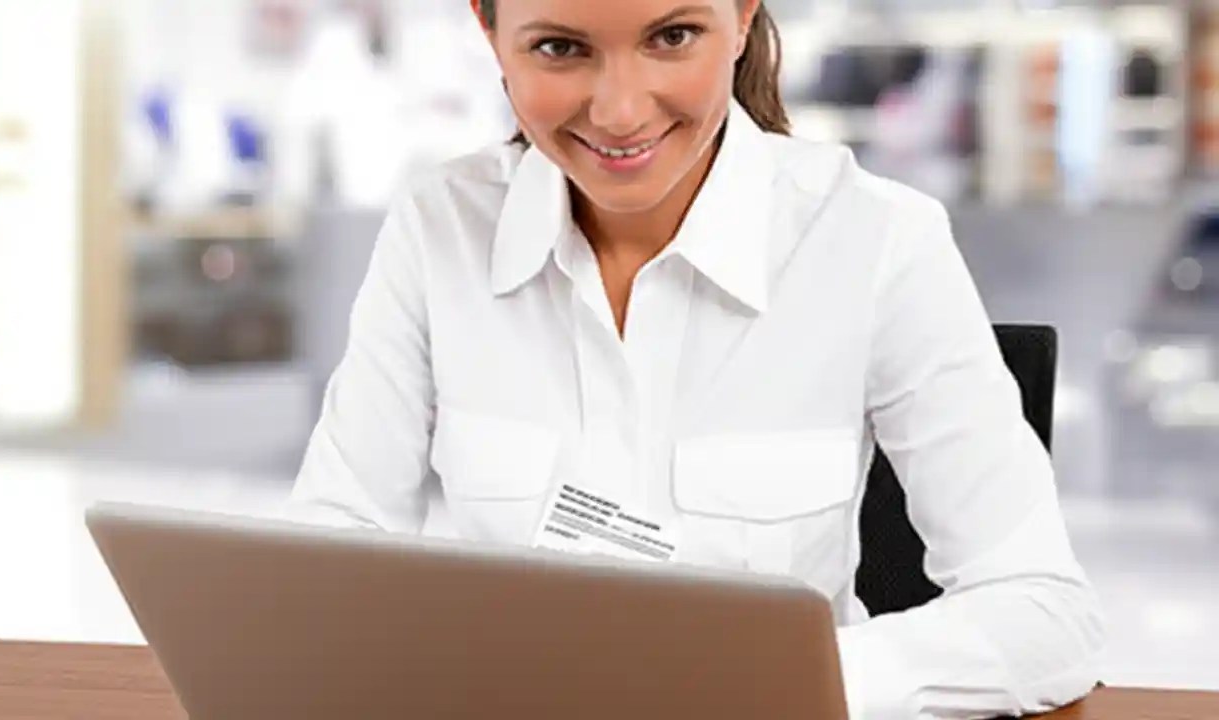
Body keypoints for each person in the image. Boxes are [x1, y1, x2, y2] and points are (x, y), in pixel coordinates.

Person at [289, 1, 1106, 717]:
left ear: (745, 15)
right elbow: (323, 569)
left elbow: (1042, 615)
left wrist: (771, 685)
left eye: (672, 36)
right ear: (489, 31)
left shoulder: (878, 241)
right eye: (560, 48)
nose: (617, 110)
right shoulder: (440, 227)